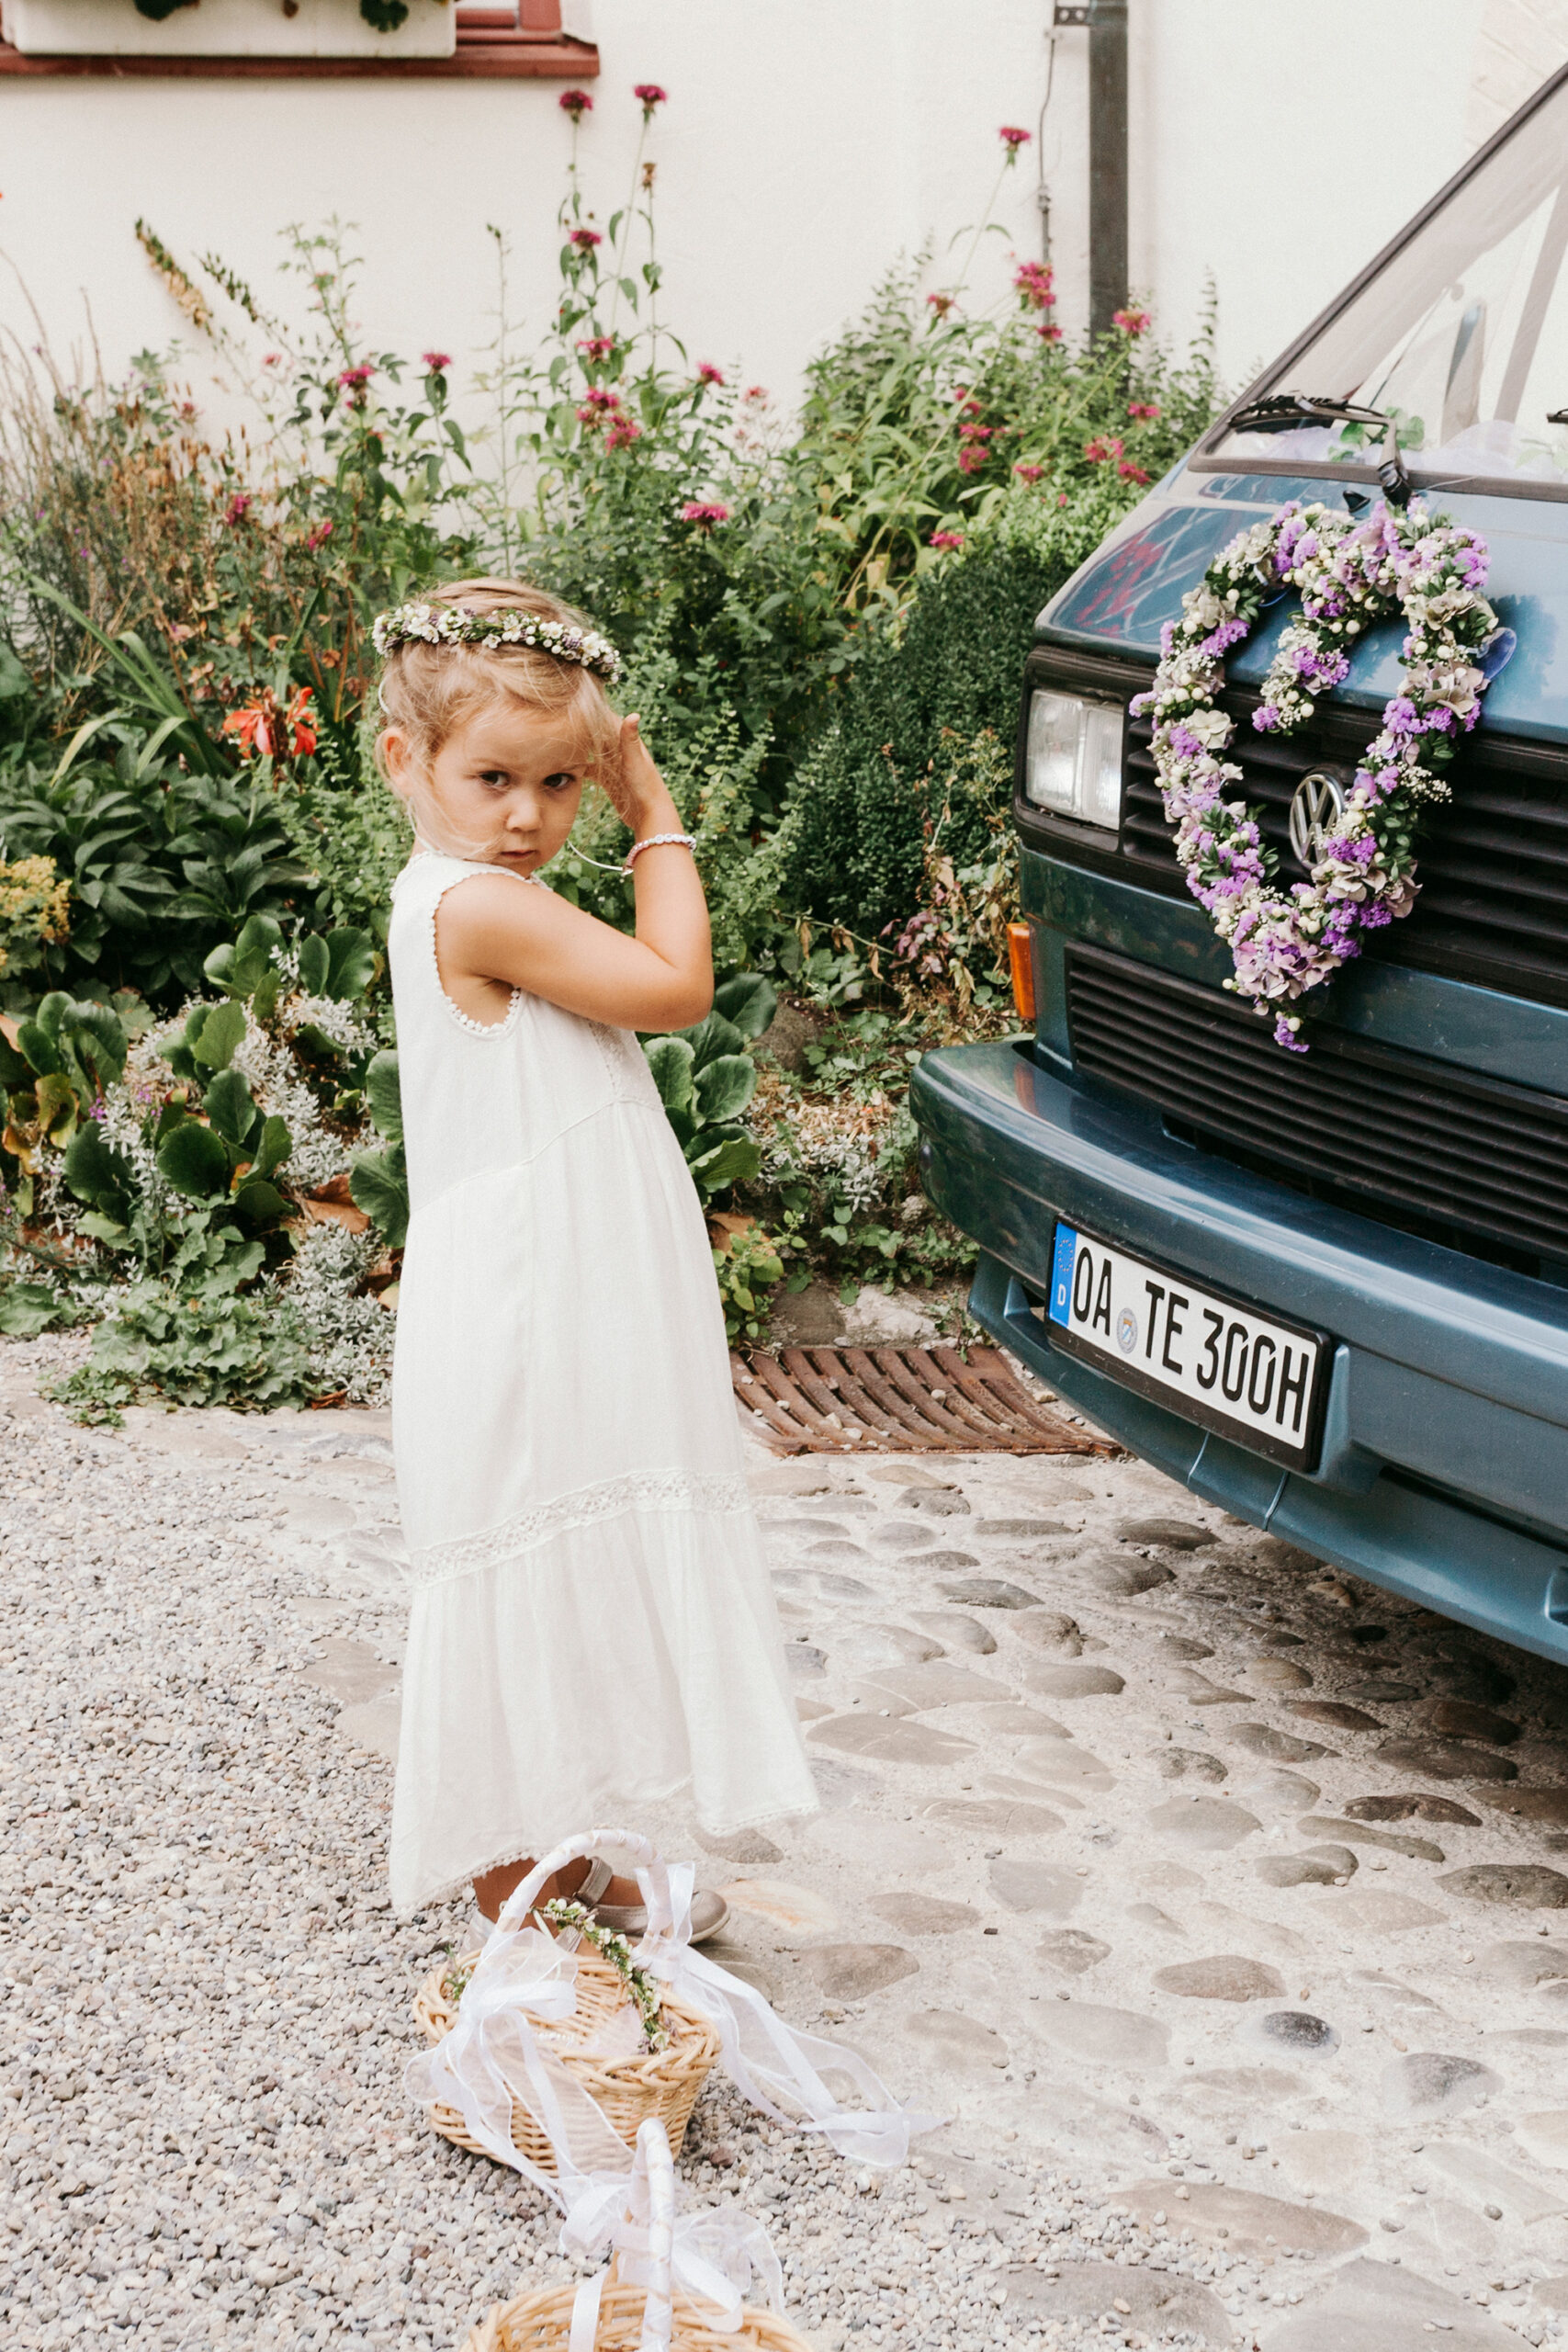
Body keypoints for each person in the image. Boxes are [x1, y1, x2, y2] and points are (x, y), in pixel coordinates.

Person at [374, 578, 818, 1929]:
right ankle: (516, 1872)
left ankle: (556, 1853)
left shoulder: (478, 889)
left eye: (563, 781)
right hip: (519, 1298)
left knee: (567, 1542)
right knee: (527, 1540)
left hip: (556, 1282)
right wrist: (651, 815)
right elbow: (677, 985)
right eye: (494, 776)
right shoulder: (472, 905)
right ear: (409, 763)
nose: (528, 815)